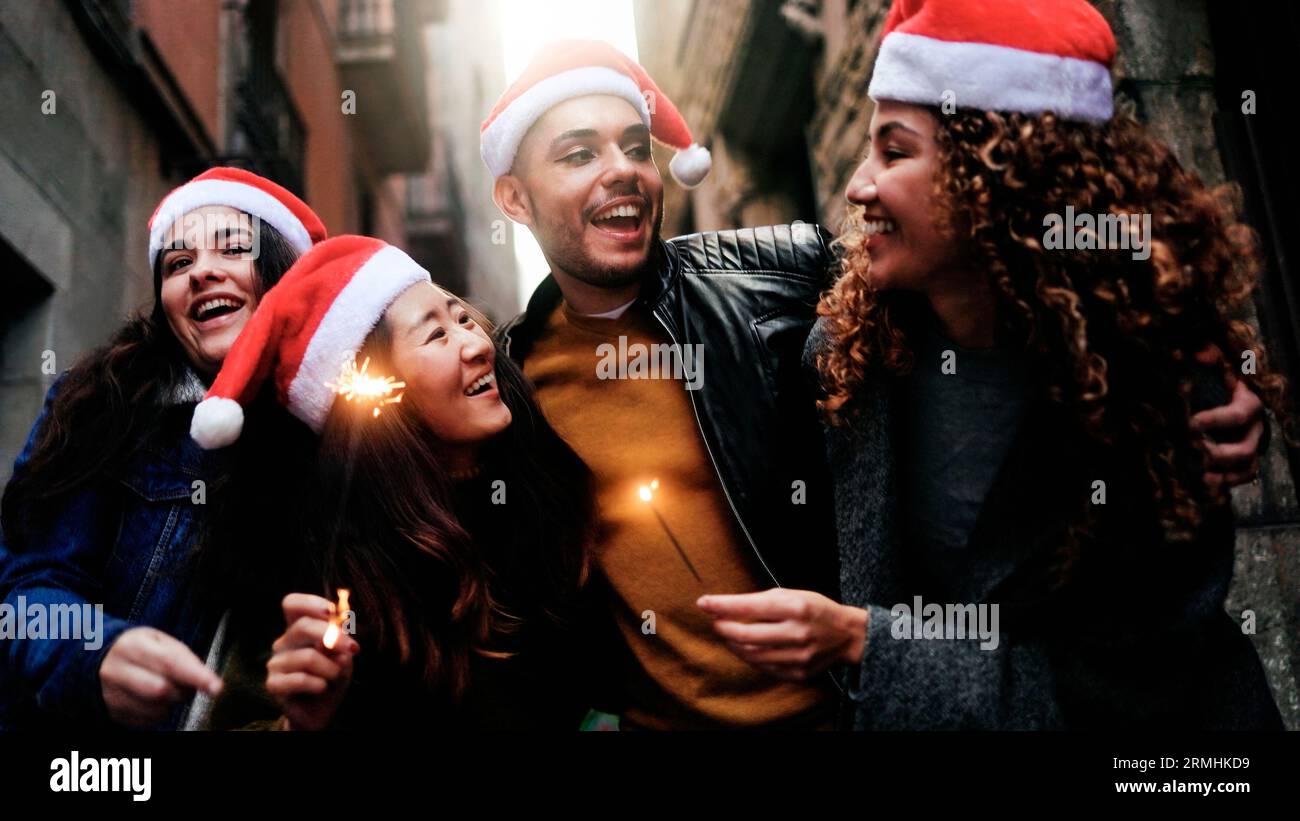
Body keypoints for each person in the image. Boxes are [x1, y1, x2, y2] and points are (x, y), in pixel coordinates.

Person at [483, 38, 1269, 730]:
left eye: (634, 146)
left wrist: (1220, 362)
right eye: (579, 153)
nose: (621, 172)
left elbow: (1027, 280)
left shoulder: (786, 279)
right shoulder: (511, 389)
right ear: (514, 198)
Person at [696, 0, 1285, 730]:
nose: (857, 185)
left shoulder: (1161, 394)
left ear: (997, 176)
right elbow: (700, 284)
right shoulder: (854, 354)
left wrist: (864, 645)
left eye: (895, 150)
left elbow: (1119, 693)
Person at [186, 235, 597, 730]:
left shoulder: (548, 492)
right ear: (383, 389)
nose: (477, 345)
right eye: (436, 336)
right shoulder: (315, 572)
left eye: (462, 319)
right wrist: (299, 723)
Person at [0, 167, 326, 729]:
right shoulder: (105, 403)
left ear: (283, 273)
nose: (201, 272)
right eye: (178, 264)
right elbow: (28, 594)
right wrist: (93, 655)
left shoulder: (337, 435)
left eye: (231, 249)